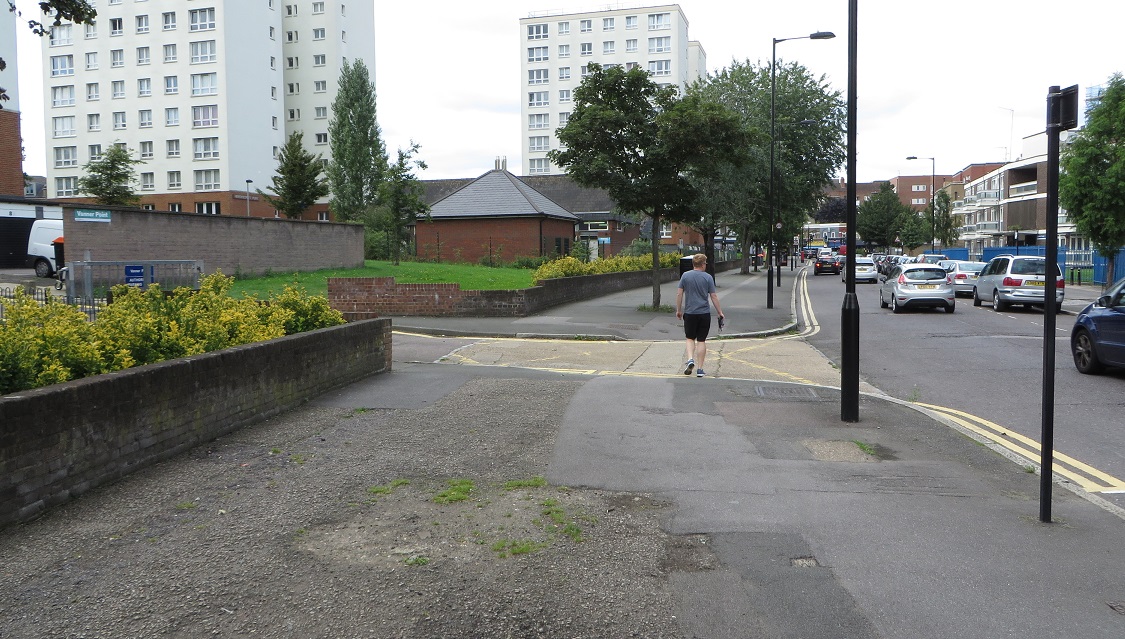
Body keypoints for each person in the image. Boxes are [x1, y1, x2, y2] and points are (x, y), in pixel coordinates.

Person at [675, 253, 724, 378]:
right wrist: (719, 312)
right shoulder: (708, 278)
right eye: (705, 263)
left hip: (690, 313)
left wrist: (678, 310)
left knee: (690, 338)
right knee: (701, 340)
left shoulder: (685, 276)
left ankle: (690, 359)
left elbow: (679, 294)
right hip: (704, 313)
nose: (706, 265)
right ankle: (700, 369)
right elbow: (713, 296)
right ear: (702, 264)